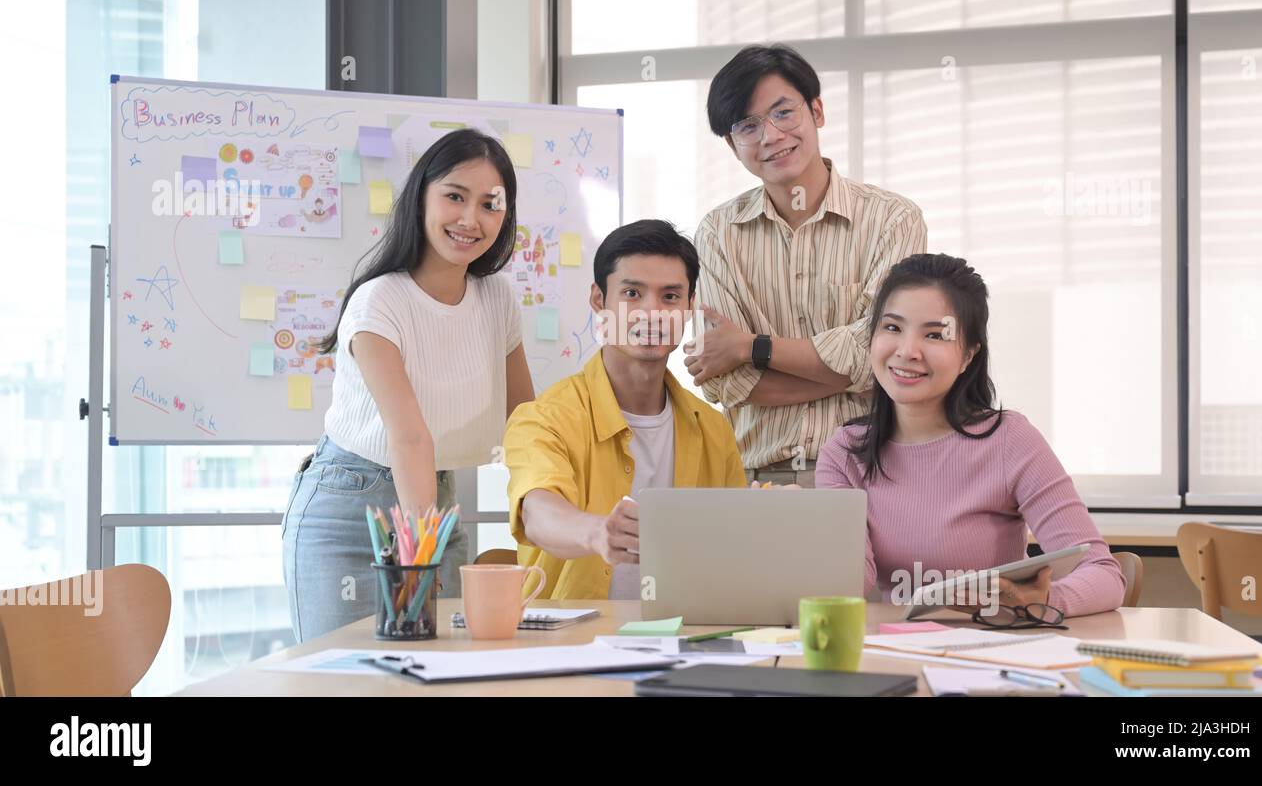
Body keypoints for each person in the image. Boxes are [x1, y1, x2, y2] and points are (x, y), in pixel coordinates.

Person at [282, 129, 535, 641]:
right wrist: (420, 560)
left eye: (490, 204)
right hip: (351, 510)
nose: (470, 219)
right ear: (422, 196)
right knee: (345, 684)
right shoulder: (379, 302)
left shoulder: (497, 299)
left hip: (433, 502)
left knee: (432, 675)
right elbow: (410, 437)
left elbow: (525, 420)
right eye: (455, 197)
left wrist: (557, 510)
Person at [815, 253, 1126, 618]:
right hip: (899, 650)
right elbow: (850, 586)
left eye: (934, 335)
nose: (907, 351)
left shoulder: (1009, 439)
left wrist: (1037, 603)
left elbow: (1104, 575)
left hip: (994, 656)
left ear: (968, 355)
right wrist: (800, 530)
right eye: (893, 328)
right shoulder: (845, 452)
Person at [687, 43, 928, 487]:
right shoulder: (717, 234)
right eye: (748, 125)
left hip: (876, 481)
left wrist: (751, 346)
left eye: (783, 113)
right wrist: (856, 375)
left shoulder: (893, 220)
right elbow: (726, 384)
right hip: (757, 484)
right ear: (731, 143)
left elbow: (886, 352)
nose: (771, 136)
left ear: (817, 111)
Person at [504, 219, 747, 600]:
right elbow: (537, 513)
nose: (652, 312)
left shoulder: (713, 428)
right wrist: (596, 533)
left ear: (689, 308)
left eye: (670, 297)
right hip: (572, 649)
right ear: (599, 301)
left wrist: (772, 518)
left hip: (684, 638)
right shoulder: (545, 417)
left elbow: (735, 547)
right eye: (632, 293)